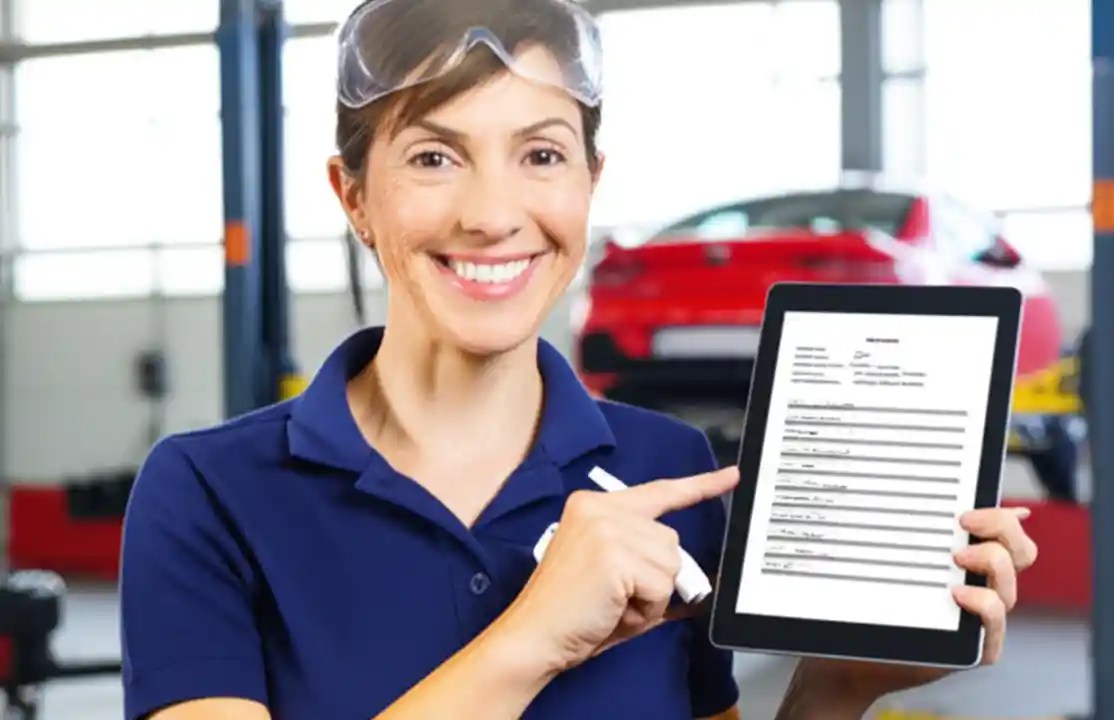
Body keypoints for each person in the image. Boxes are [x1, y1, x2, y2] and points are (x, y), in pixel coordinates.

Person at [118, 1, 1039, 718]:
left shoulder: (671, 473)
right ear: (353, 195)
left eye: (542, 154)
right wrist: (536, 636)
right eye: (435, 157)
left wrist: (833, 690)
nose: (492, 212)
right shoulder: (207, 491)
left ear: (590, 183)